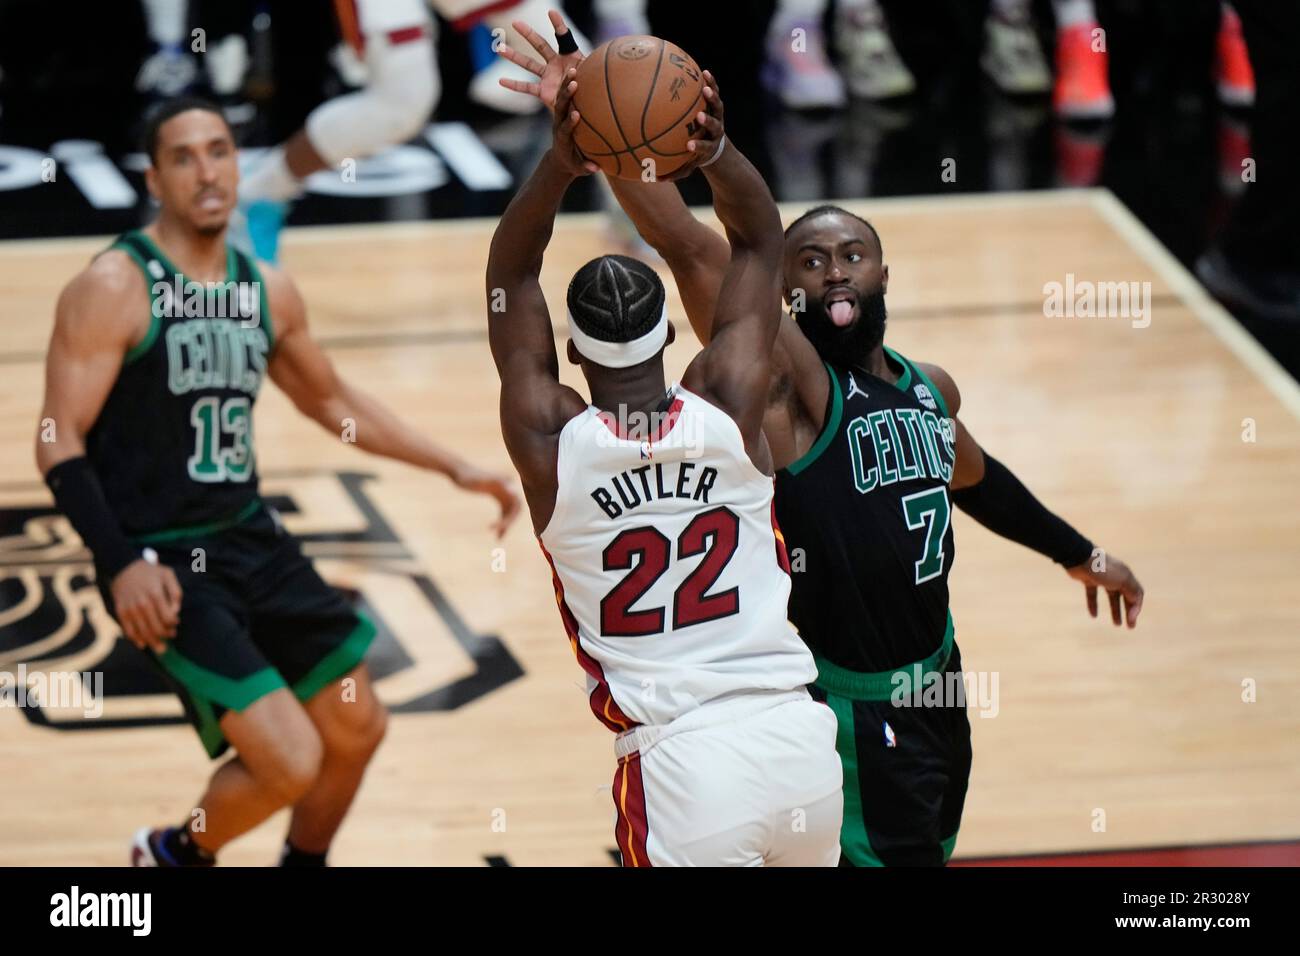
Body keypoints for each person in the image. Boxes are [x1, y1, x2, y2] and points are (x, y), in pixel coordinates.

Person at [35, 97, 519, 866]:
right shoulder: (114, 285)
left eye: (219, 151)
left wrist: (455, 464)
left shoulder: (266, 288)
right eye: (184, 157)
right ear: (154, 177)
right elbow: (57, 438)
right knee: (290, 759)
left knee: (357, 728)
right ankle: (170, 854)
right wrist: (118, 562)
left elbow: (331, 402)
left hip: (249, 537)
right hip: (161, 559)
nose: (207, 171)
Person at [485, 65, 842, 866]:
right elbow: (758, 240)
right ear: (672, 338)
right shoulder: (729, 398)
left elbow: (510, 277)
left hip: (684, 766)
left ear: (573, 352)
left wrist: (561, 161)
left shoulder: (551, 439)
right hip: (798, 744)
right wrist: (716, 152)